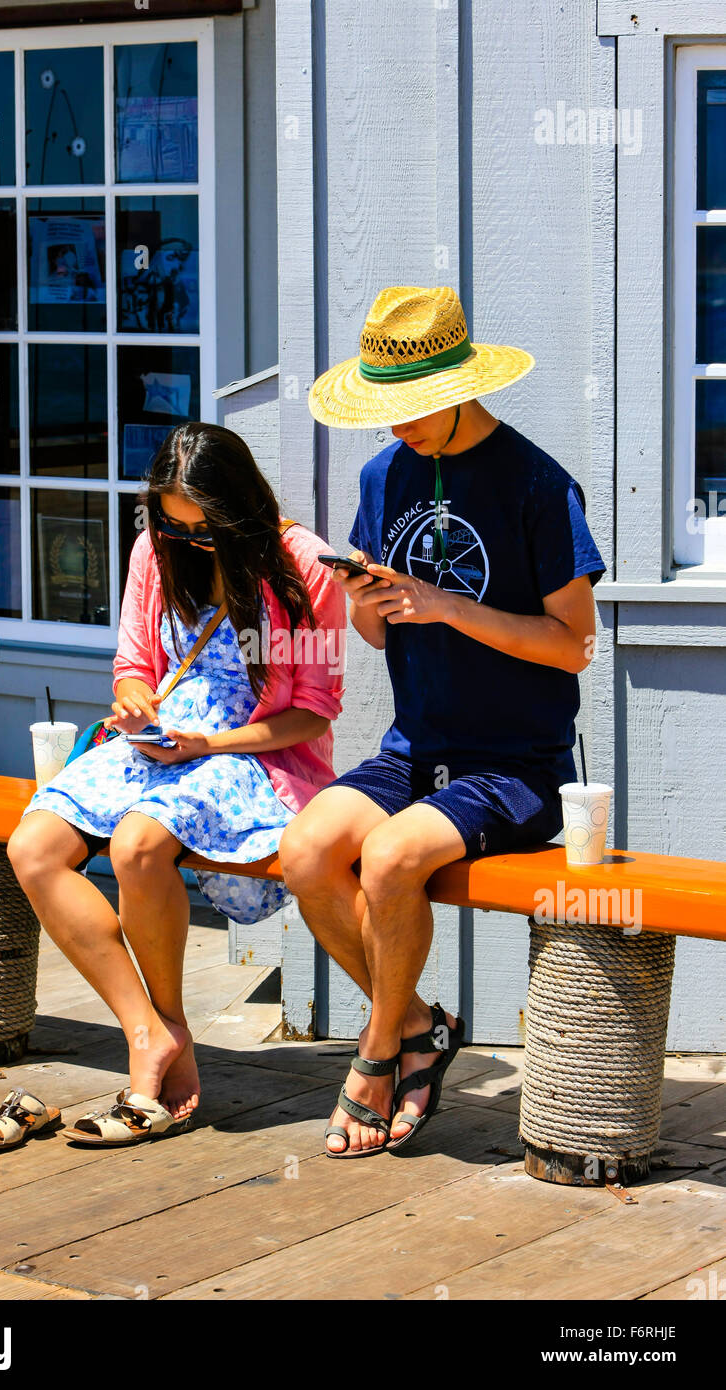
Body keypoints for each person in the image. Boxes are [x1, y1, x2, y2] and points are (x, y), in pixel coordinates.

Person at [279, 285, 605, 1159]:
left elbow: (575, 645)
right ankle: (420, 1025)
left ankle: (379, 1049)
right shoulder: (383, 475)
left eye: (412, 409)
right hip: (414, 748)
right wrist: (370, 600)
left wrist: (445, 606)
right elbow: (377, 628)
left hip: (516, 764)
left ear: (460, 386)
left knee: (387, 859)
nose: (396, 428)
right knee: (304, 852)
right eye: (385, 410)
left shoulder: (535, 482)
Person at [8, 422, 345, 1145]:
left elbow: (310, 716)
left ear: (239, 507)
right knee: (33, 848)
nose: (191, 541)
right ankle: (154, 1033)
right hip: (160, 742)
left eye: (205, 528)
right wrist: (135, 699)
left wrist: (209, 742)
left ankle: (155, 1045)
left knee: (136, 845)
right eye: (176, 525)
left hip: (251, 753)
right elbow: (132, 664)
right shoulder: (152, 552)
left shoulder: (305, 562)